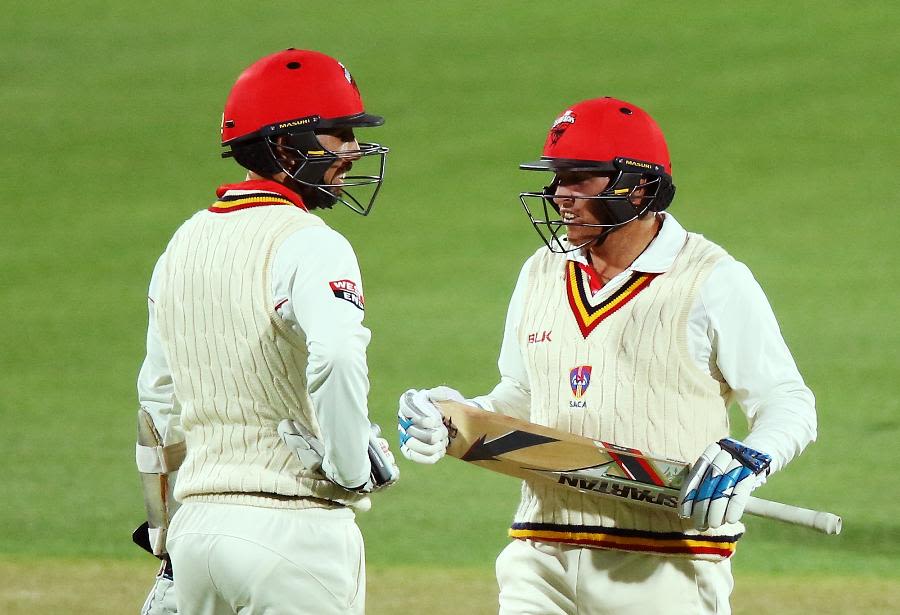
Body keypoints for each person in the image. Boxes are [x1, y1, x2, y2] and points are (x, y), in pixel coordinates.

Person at [398, 97, 817, 614]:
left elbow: (787, 400)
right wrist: (456, 417)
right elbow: (526, 394)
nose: (558, 195)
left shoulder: (712, 280)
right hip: (540, 556)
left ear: (638, 186)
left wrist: (751, 458)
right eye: (556, 179)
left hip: (665, 568)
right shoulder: (541, 271)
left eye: (579, 178)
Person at [134, 48, 399, 615]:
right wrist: (350, 469)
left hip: (196, 533)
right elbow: (336, 356)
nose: (352, 152)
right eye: (337, 134)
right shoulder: (311, 241)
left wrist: (167, 536)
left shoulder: (180, 244)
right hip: (293, 531)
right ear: (284, 145)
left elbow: (156, 404)